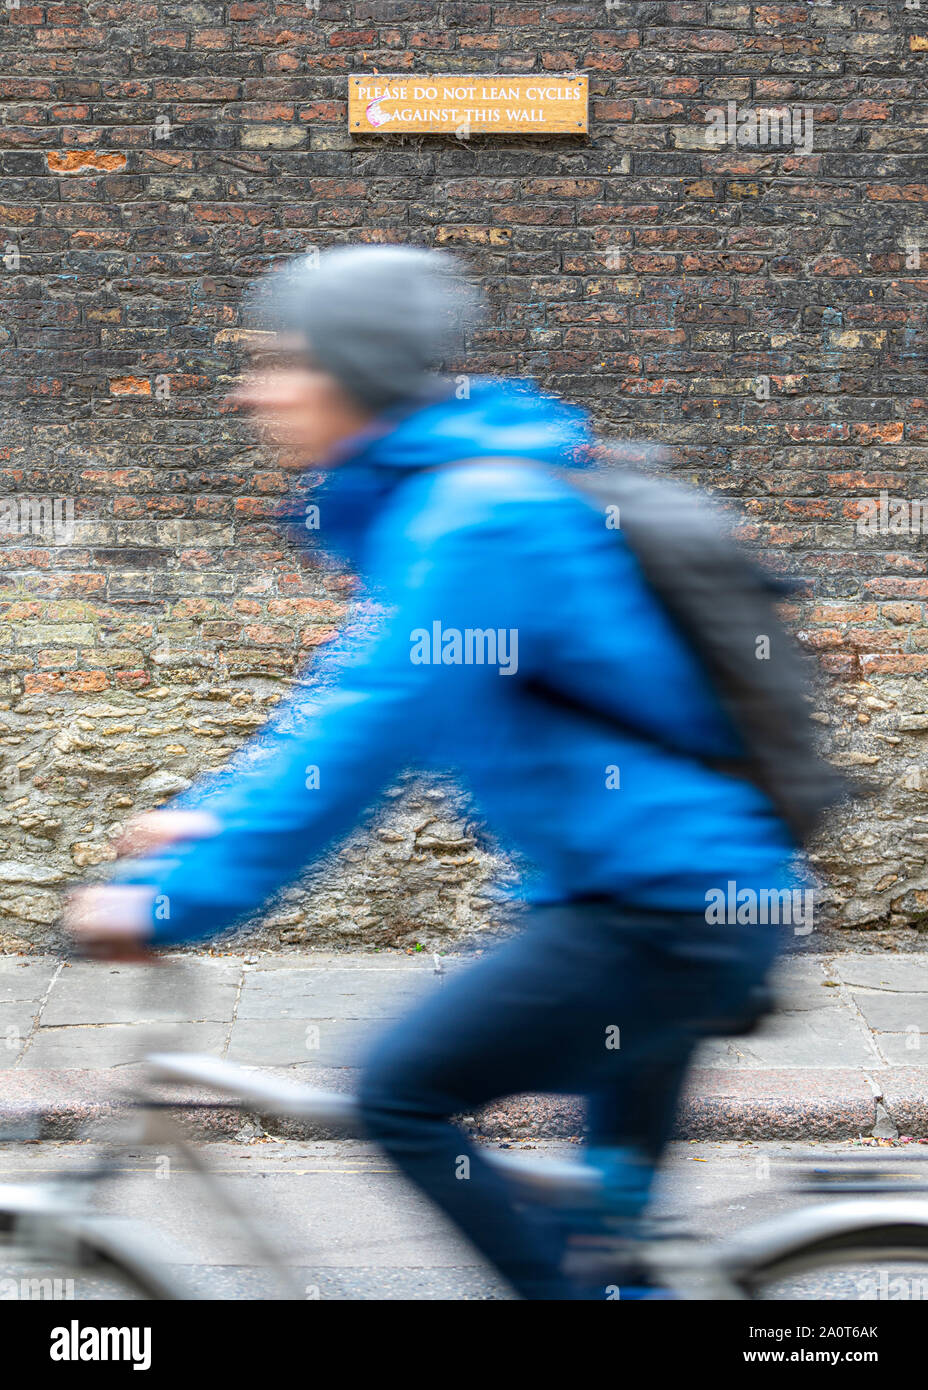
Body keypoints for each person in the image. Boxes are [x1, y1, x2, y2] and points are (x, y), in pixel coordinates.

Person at [67, 244, 794, 1299]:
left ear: (351, 371)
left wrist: (171, 905)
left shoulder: (478, 516)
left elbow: (366, 734)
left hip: (665, 914)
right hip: (651, 900)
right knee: (611, 1243)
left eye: (280, 361)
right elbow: (333, 707)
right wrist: (204, 820)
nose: (250, 389)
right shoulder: (447, 504)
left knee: (394, 1093)